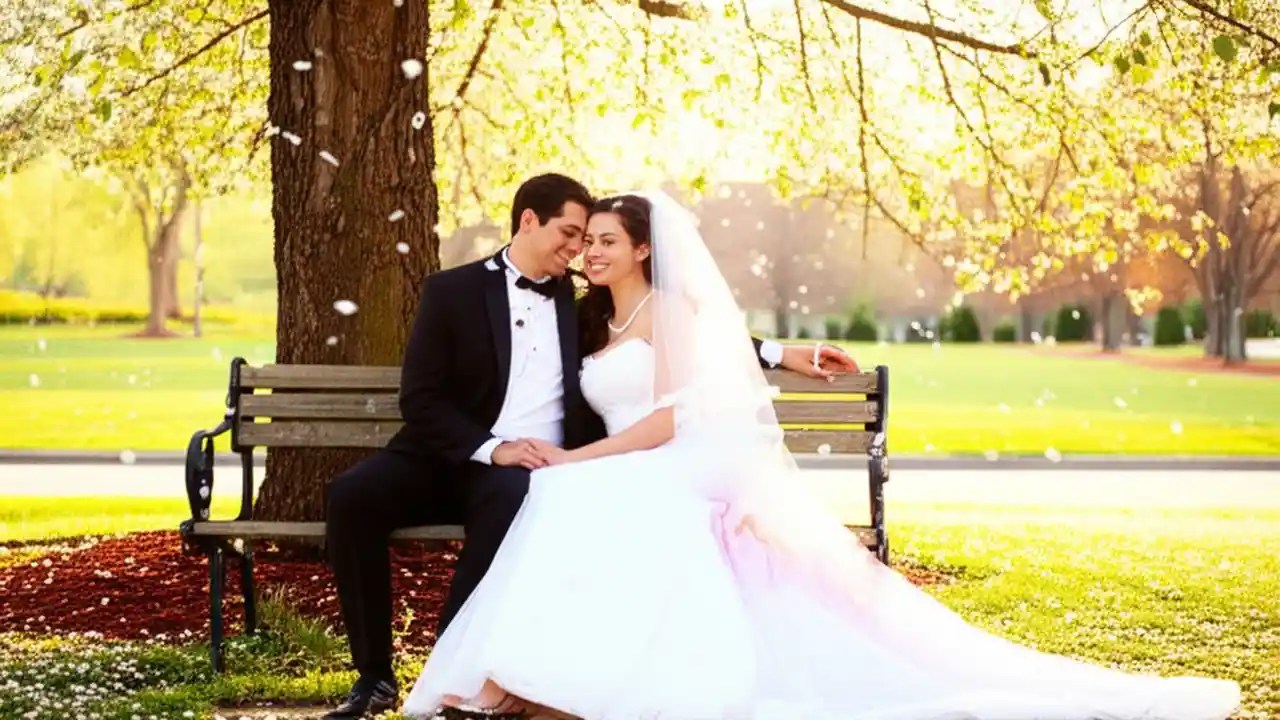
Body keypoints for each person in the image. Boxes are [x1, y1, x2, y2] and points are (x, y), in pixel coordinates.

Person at [402, 191, 1240, 720]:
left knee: (573, 498)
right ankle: (519, 680)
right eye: (587, 244)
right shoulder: (584, 315)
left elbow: (667, 415)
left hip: (658, 457)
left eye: (608, 242)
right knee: (562, 502)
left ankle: (553, 681)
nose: (590, 254)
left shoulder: (669, 313)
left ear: (646, 249)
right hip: (621, 459)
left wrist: (575, 460)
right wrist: (777, 355)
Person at [322, 175, 854, 719]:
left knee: (515, 501)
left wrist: (779, 351)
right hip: (448, 454)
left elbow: (683, 329)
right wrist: (487, 447)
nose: (579, 250)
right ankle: (373, 677)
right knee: (351, 497)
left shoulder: (577, 302)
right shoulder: (451, 291)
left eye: (590, 240)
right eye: (571, 234)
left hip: (534, 468)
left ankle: (460, 667)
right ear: (529, 220)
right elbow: (421, 397)